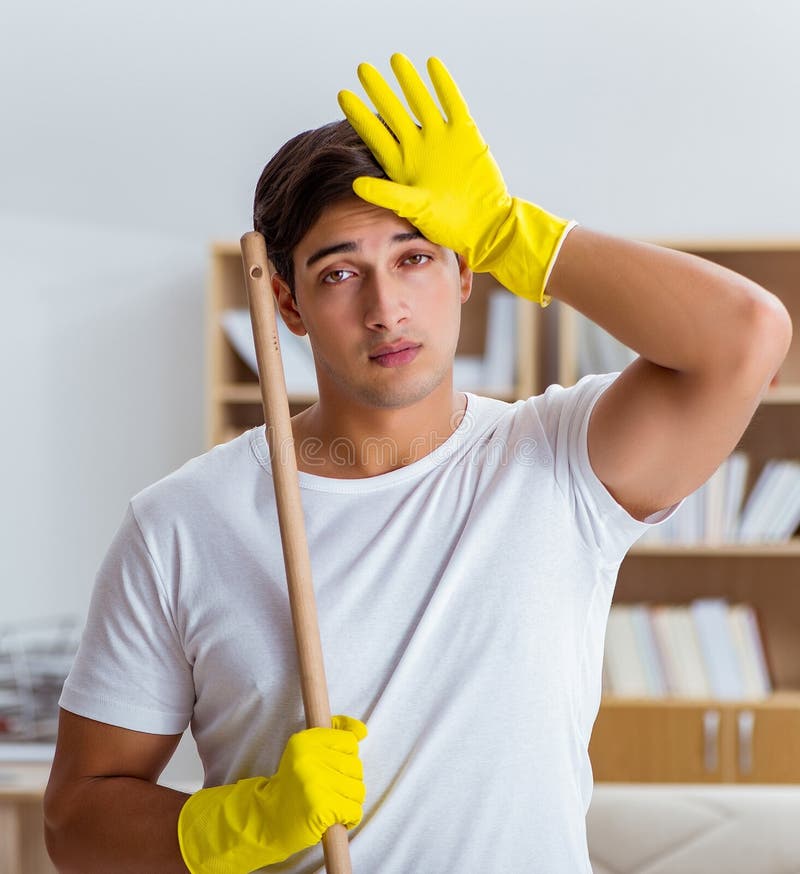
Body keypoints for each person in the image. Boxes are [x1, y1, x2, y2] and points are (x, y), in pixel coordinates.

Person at [44, 54, 791, 873]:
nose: (385, 308)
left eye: (414, 257)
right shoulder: (180, 524)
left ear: (465, 269)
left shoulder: (562, 462)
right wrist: (242, 822)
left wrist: (507, 228)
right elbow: (76, 823)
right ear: (287, 303)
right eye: (339, 273)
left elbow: (748, 335)